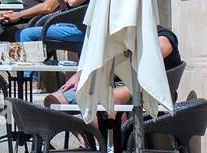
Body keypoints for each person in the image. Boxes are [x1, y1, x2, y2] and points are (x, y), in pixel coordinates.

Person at [45, 26, 183, 109]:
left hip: (143, 84)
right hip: (109, 81)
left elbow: (161, 50)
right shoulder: (115, 38)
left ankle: (116, 145)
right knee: (52, 101)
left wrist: (119, 55)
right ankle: (88, 140)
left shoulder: (161, 33)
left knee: (110, 97)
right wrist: (80, 74)